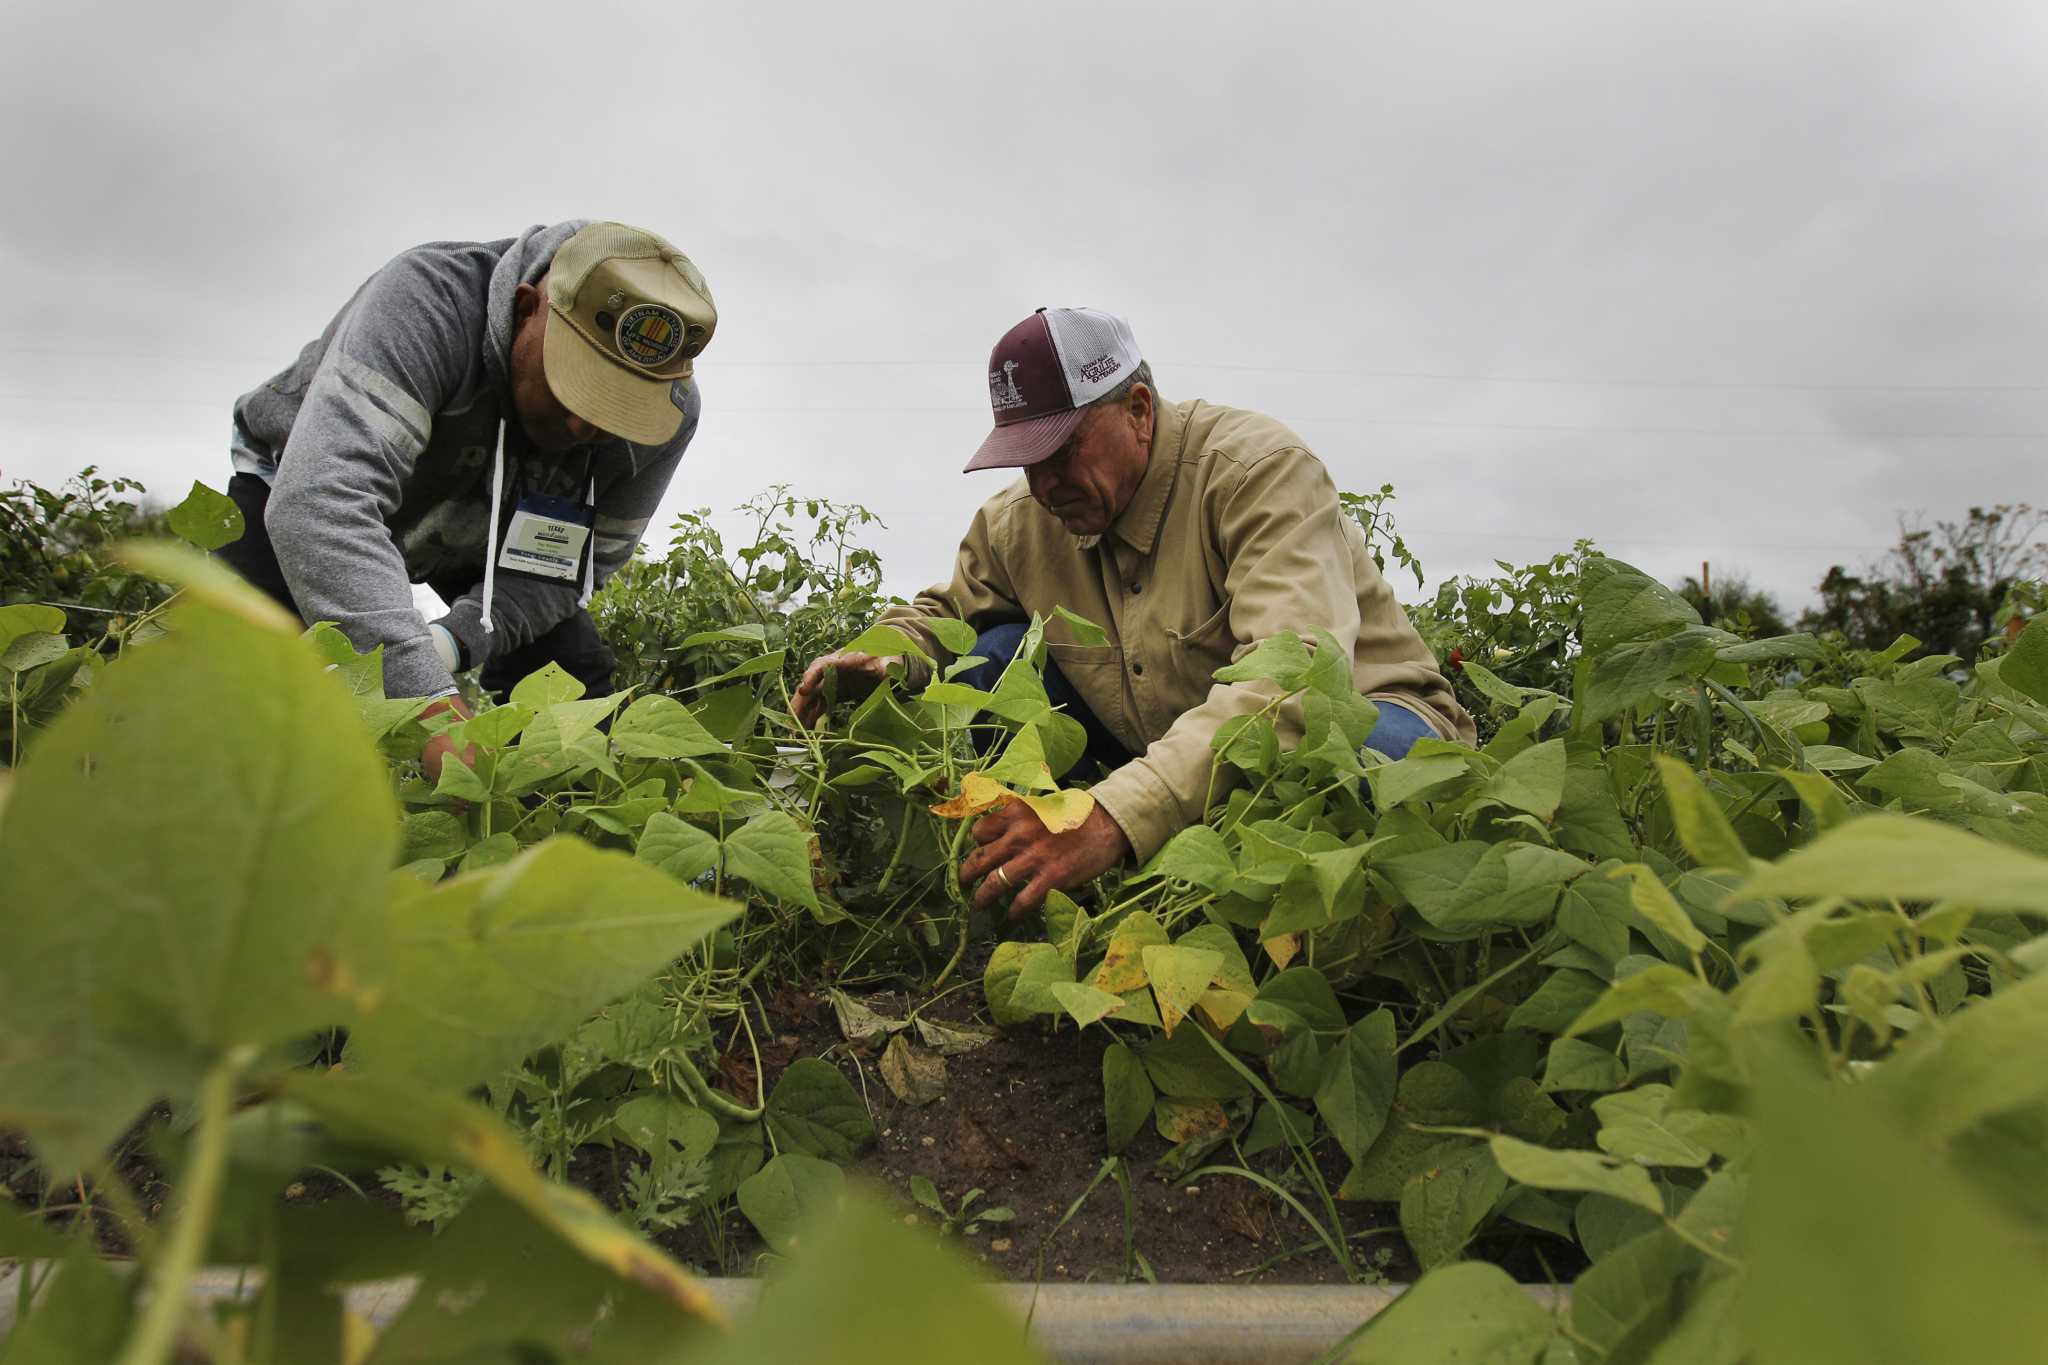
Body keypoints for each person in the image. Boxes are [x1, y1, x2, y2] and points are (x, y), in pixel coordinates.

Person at [793, 307, 1473, 917]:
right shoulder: (1022, 523)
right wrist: (884, 654)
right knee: (993, 654)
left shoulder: (1256, 473)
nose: (1044, 485)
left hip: (1372, 724)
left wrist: (1114, 815)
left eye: (1061, 451)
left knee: (1319, 772)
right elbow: (942, 613)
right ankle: (1036, 879)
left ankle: (1290, 928)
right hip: (1166, 741)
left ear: (1139, 410)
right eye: (1026, 460)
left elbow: (1294, 687)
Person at [218, 219, 716, 773]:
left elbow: (566, 571)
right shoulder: (430, 301)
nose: (582, 424)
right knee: (235, 696)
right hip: (296, 486)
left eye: (615, 409)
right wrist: (426, 703)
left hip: (486, 531)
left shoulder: (670, 418)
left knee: (572, 690)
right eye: (573, 382)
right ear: (528, 307)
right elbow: (322, 502)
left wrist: (449, 644)